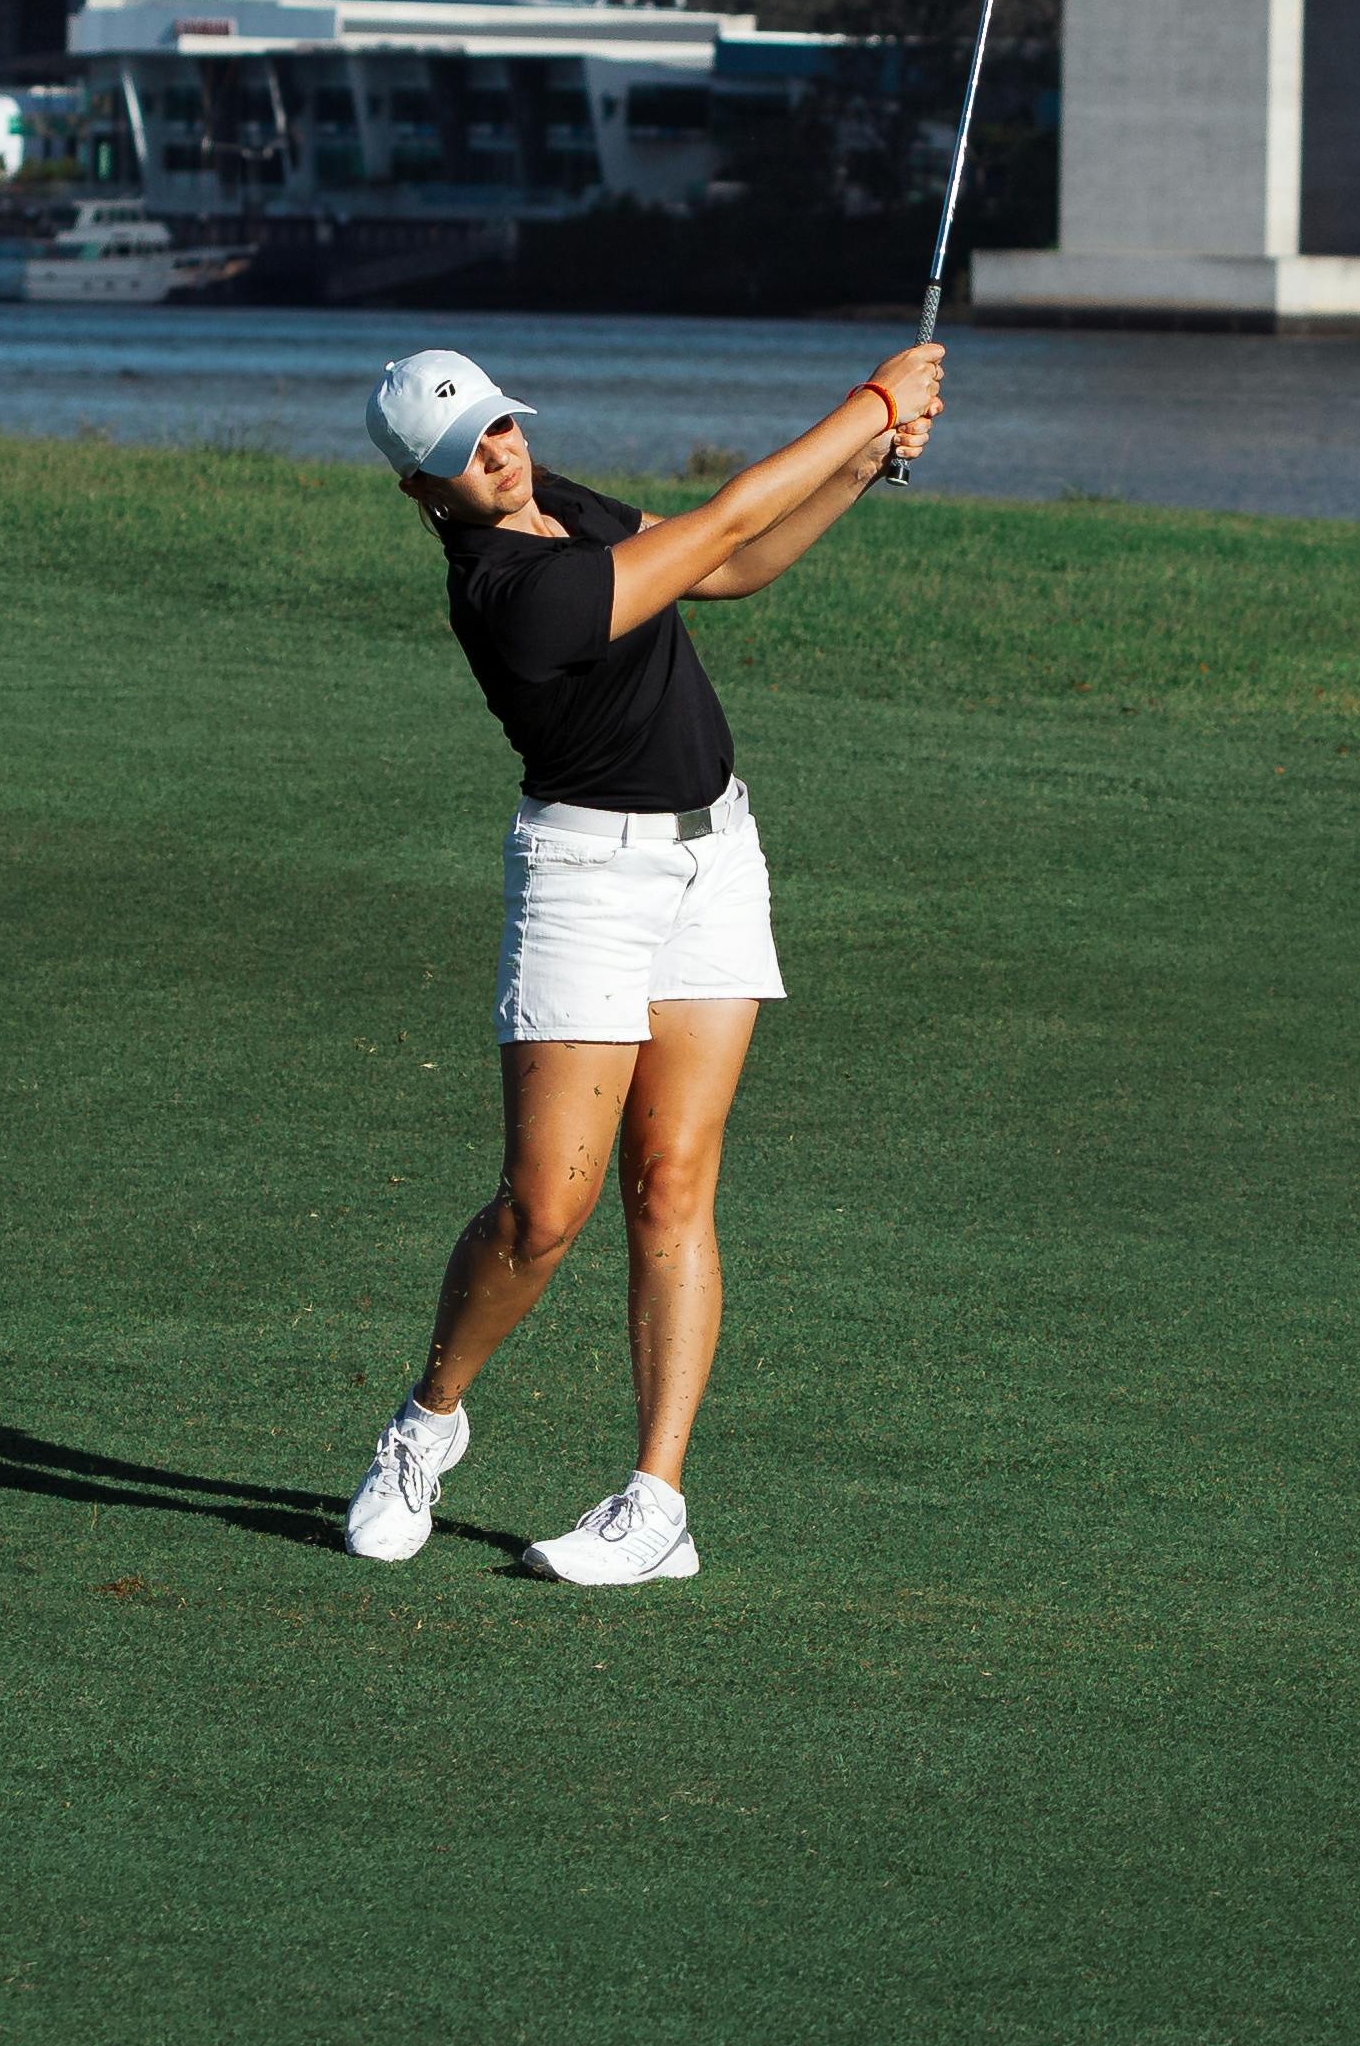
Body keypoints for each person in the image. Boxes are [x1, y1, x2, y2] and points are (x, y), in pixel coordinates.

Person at [341, 332, 947, 1592]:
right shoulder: (507, 592)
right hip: (585, 884)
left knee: (672, 1185)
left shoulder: (559, 501)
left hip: (713, 860)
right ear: (421, 489)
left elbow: (729, 560)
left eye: (501, 426)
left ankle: (656, 1499)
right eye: (467, 453)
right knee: (544, 1209)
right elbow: (727, 508)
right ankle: (428, 1421)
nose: (501, 456)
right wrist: (868, 402)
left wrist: (859, 467)